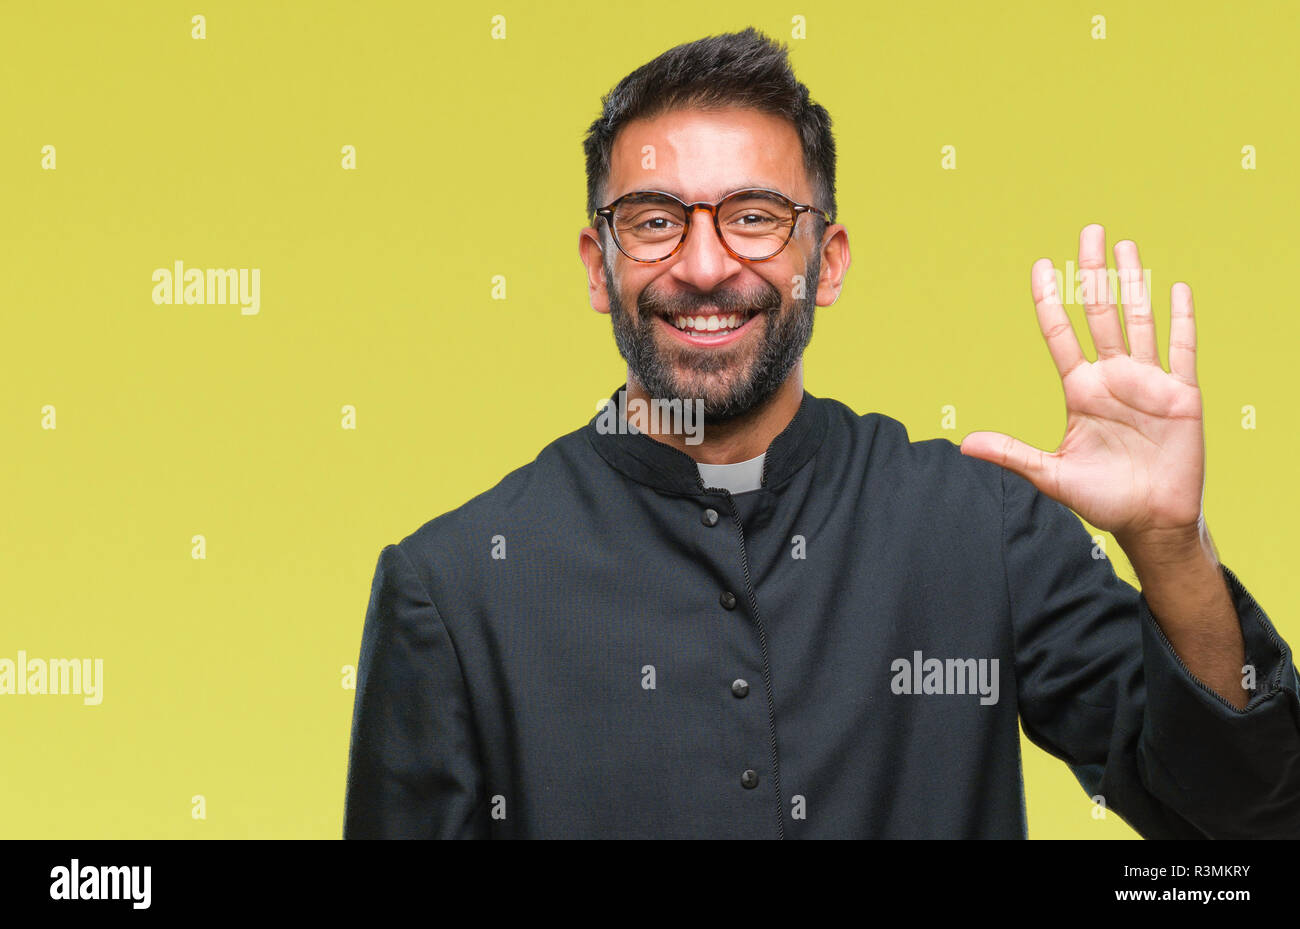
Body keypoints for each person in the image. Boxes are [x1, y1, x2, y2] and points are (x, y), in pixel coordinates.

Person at [343, 27, 1300, 839]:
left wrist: (1174, 551)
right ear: (600, 268)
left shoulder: (982, 528)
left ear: (826, 261)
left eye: (756, 218)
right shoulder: (455, 588)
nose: (707, 264)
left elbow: (1240, 823)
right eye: (655, 220)